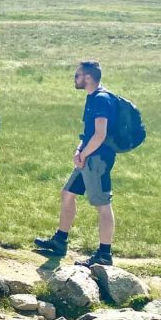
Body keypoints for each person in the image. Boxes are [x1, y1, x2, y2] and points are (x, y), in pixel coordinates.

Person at [34, 60, 117, 267]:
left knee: (102, 204)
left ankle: (104, 254)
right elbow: (89, 133)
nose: (75, 79)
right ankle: (60, 241)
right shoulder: (92, 98)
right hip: (88, 157)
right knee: (67, 193)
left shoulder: (101, 100)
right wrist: (79, 150)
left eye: (77, 75)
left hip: (97, 160)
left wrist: (84, 154)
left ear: (87, 77)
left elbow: (100, 135)